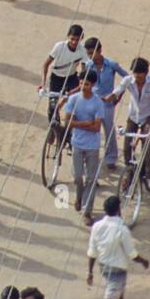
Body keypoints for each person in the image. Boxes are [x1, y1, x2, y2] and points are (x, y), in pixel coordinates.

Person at [87, 196, 148, 299]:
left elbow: (92, 252)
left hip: (104, 269)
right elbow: (132, 254)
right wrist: (144, 261)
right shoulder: (122, 229)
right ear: (118, 209)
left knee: (118, 297)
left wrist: (90, 272)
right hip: (117, 272)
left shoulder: (96, 226)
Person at [59, 68, 105, 225]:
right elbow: (68, 122)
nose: (83, 86)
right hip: (77, 143)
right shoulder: (73, 99)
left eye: (86, 84)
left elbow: (97, 127)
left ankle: (88, 211)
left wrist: (77, 123)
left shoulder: (98, 102)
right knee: (78, 177)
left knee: (91, 179)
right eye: (81, 83)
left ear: (92, 85)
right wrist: (86, 123)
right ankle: (79, 197)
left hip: (92, 146)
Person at [107, 57, 150, 183]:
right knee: (127, 146)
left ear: (146, 73)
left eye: (140, 75)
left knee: (148, 140)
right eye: (135, 74)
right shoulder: (128, 80)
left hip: (148, 115)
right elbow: (116, 93)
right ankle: (129, 170)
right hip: (133, 116)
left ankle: (149, 170)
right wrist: (105, 99)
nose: (137, 78)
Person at [84, 38, 129, 172]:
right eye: (88, 53)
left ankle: (111, 158)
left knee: (109, 130)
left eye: (92, 53)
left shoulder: (111, 65)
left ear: (100, 50)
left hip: (107, 103)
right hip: (91, 102)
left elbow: (127, 79)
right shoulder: (88, 65)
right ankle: (90, 158)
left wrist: (117, 96)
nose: (90, 56)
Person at [41, 22, 85, 115]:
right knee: (52, 107)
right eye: (72, 39)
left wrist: (78, 87)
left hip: (71, 77)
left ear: (81, 38)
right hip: (56, 77)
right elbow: (46, 65)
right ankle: (54, 127)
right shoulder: (59, 46)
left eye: (77, 40)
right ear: (68, 36)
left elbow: (84, 71)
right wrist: (43, 84)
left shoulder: (82, 51)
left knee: (77, 103)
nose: (74, 42)